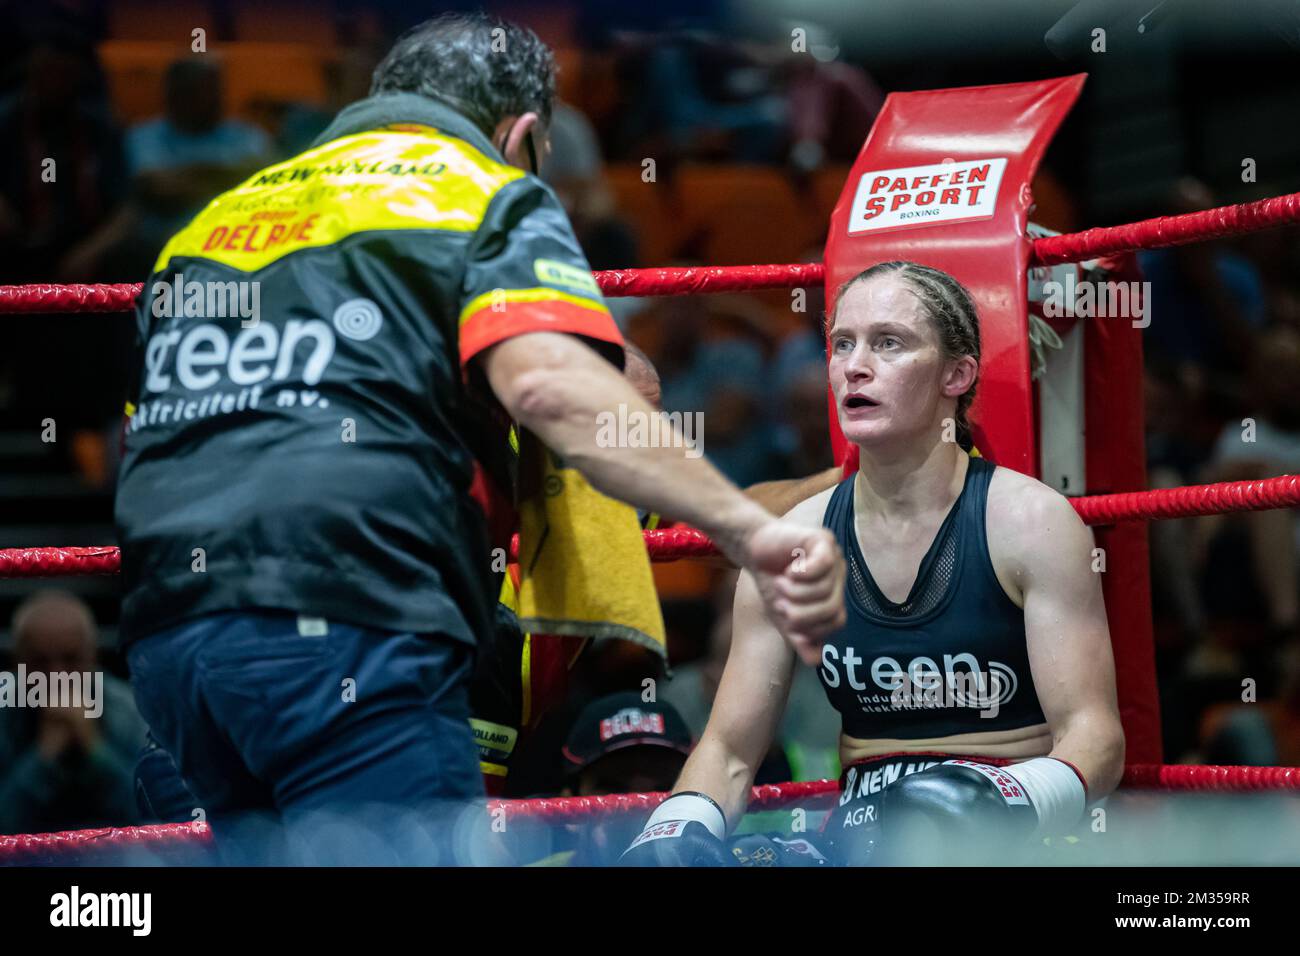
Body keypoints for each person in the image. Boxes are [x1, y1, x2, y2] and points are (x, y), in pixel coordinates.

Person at [115, 12, 844, 865]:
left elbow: (145, 434)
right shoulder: (477, 187)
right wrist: (749, 531)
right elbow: (551, 384)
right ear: (523, 135)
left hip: (172, 642)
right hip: (348, 618)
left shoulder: (215, 222)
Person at [623, 260, 1126, 866]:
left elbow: (1095, 739)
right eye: (841, 344)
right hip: (858, 842)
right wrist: (677, 826)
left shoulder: (1030, 523)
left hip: (1012, 836)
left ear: (957, 374)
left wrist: (1008, 798)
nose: (854, 365)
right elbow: (728, 750)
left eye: (889, 343)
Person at [0, 591, 146, 834]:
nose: (57, 674)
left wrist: (95, 751)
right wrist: (43, 759)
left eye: (70, 659)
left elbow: (150, 817)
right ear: (17, 661)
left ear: (92, 657)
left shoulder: (128, 709)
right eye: (40, 661)